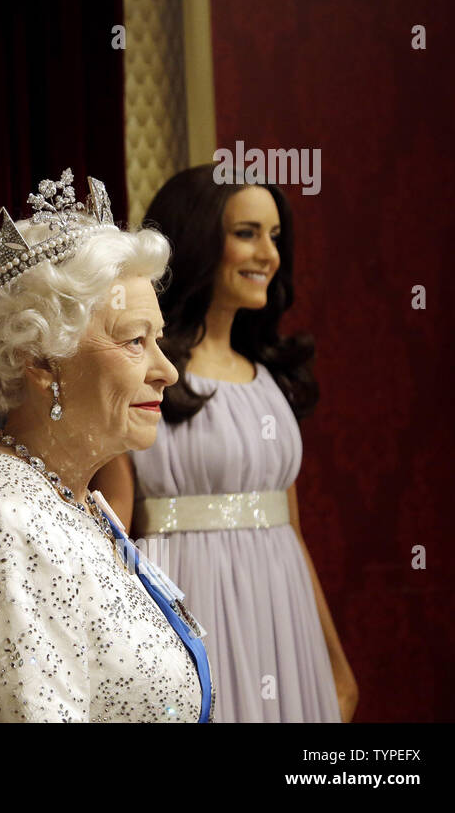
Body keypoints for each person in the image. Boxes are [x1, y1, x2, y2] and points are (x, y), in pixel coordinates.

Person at [0, 170, 213, 722]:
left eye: (158, 340)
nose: (166, 371)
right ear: (41, 360)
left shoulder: (73, 499)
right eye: (134, 341)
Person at [93, 164, 357, 722]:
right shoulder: (145, 373)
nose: (269, 254)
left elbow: (292, 529)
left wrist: (333, 661)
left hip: (285, 624)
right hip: (187, 612)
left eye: (275, 237)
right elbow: (113, 529)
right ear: (196, 236)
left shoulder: (269, 379)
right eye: (247, 233)